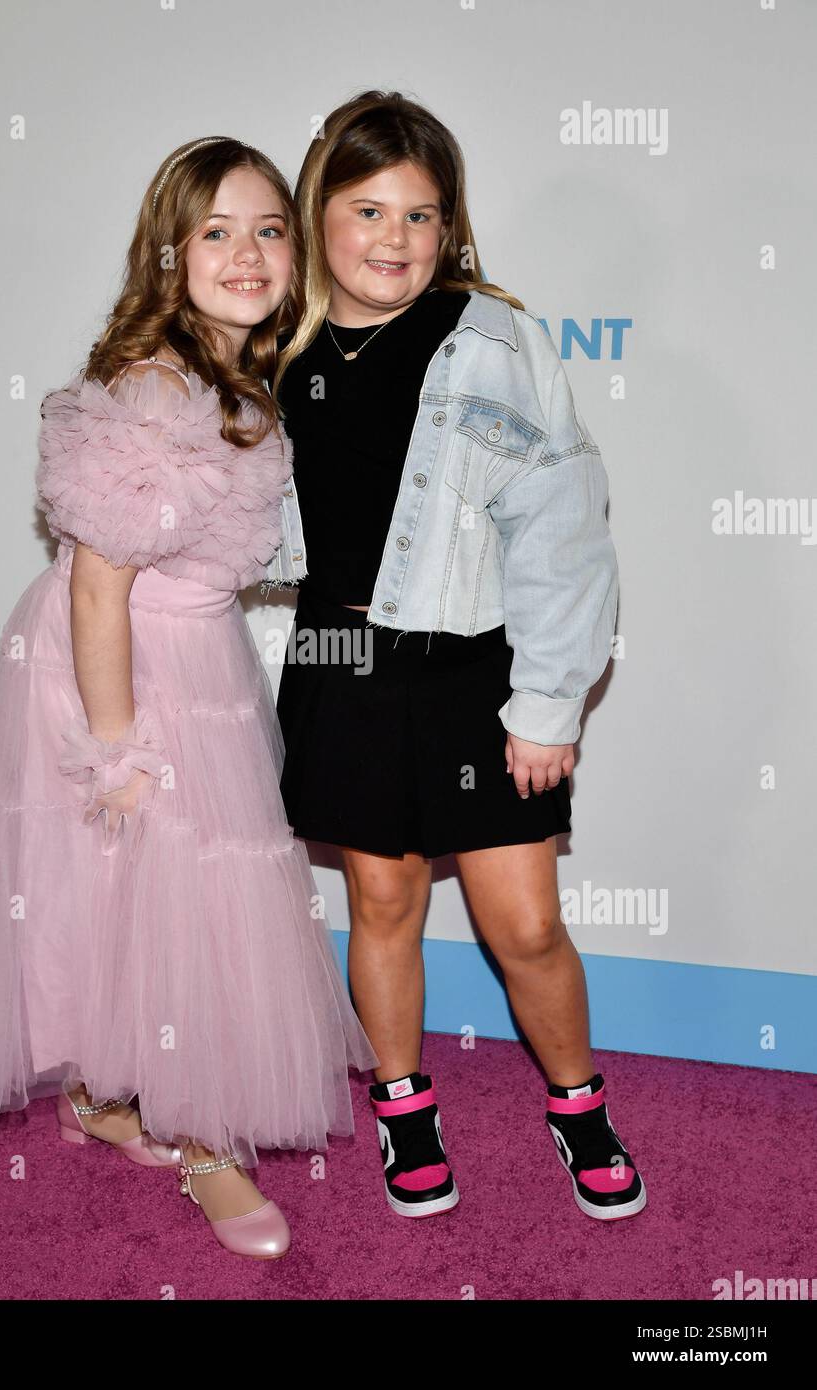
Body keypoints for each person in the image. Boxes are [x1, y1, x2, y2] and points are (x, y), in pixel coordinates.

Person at [0, 136, 378, 1261]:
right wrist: (113, 751)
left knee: (148, 900)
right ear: (171, 254)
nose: (247, 253)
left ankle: (106, 1098)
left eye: (269, 230)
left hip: (196, 652)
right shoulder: (157, 385)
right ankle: (205, 1141)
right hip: (118, 666)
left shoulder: (237, 377)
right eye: (217, 231)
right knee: (159, 890)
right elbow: (95, 588)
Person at [264, 91, 646, 1223]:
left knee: (524, 923)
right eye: (368, 208)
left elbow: (567, 528)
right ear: (317, 212)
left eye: (422, 215)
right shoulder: (270, 344)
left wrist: (548, 701)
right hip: (337, 657)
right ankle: (403, 1104)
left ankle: (579, 1105)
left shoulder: (491, 338)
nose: (395, 238)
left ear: (453, 227)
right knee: (380, 904)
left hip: (473, 666)